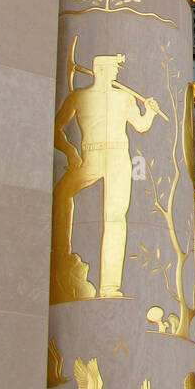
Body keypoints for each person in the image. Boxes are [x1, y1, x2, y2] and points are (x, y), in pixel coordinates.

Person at [52, 53, 161, 301]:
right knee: (60, 194)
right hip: (89, 155)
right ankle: (61, 255)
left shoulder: (123, 98)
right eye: (113, 68)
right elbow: (56, 128)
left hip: (118, 157)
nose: (116, 73)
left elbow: (141, 126)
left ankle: (110, 287)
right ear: (99, 68)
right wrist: (70, 152)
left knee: (115, 218)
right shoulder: (78, 97)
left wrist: (150, 112)